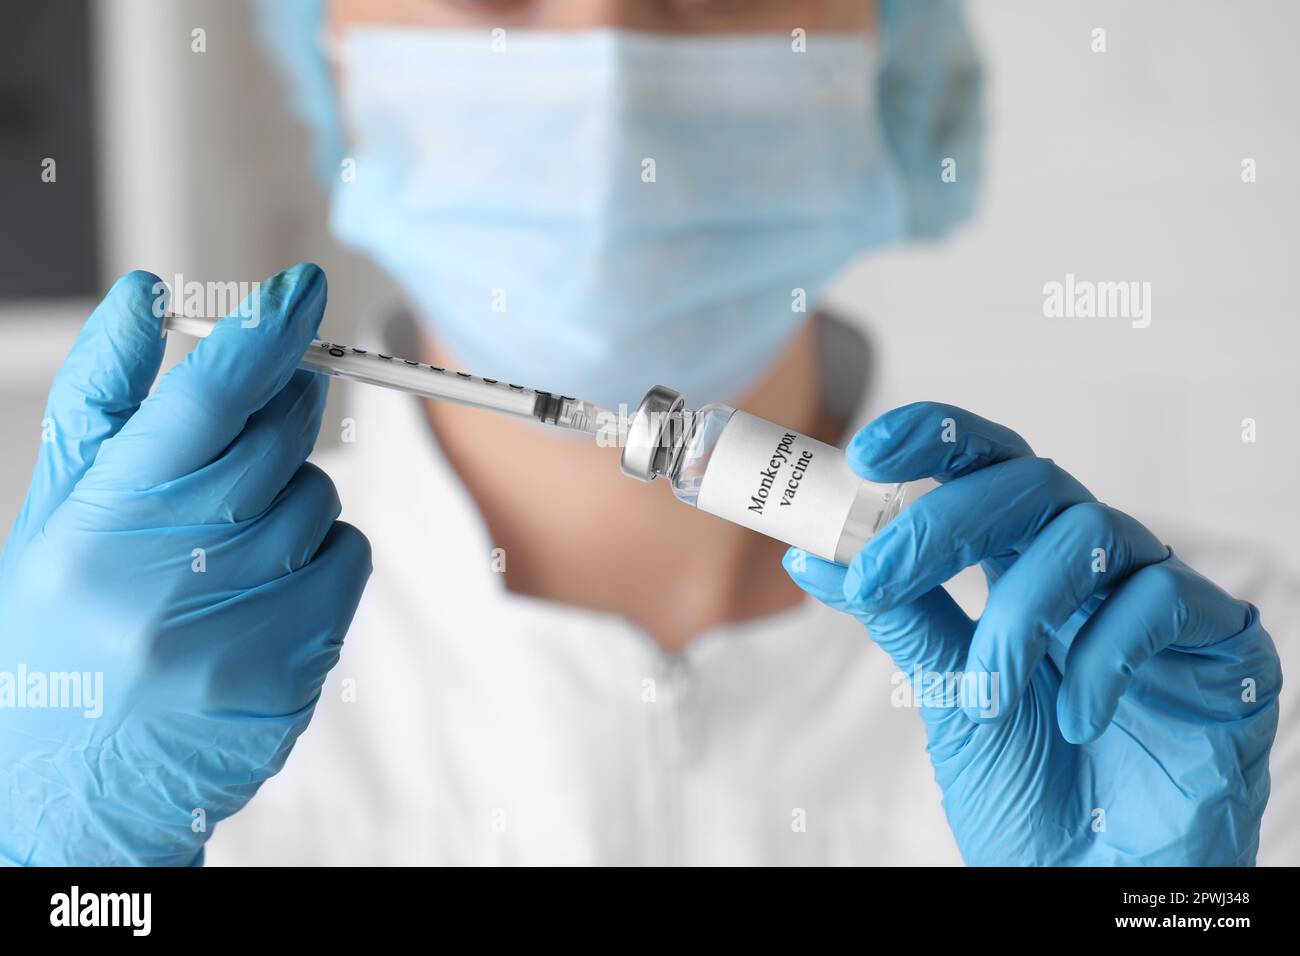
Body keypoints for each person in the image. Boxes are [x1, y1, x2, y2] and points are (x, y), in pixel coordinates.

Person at [0, 0, 1292, 866]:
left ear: (888, 48)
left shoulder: (1189, 679)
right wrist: (60, 874)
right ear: (327, 43)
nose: (604, 65)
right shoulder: (98, 706)